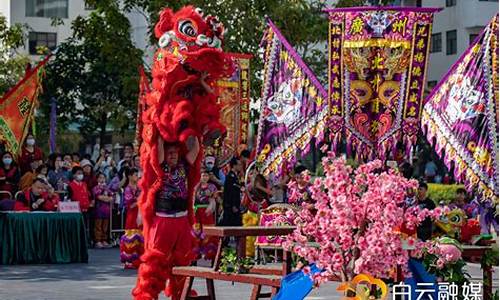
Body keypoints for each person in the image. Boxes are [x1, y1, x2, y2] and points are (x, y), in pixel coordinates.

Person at [133, 136, 200, 300]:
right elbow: (159, 150)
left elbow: (196, 150)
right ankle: (147, 294)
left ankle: (181, 293)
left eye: (175, 153)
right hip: (164, 220)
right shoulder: (160, 167)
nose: (173, 156)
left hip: (182, 221)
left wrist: (194, 131)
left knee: (183, 258)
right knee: (155, 260)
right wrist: (161, 132)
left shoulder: (183, 164)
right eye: (170, 153)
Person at [120, 168, 144, 269]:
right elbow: (130, 205)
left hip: (140, 214)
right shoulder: (127, 189)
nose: (136, 176)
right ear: (129, 176)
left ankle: (138, 259)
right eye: (134, 175)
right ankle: (129, 260)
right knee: (131, 238)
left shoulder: (139, 187)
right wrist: (140, 200)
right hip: (132, 215)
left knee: (140, 237)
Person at [193, 170, 218, 260]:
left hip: (207, 210)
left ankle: (209, 252)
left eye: (206, 176)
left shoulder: (212, 187)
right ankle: (195, 253)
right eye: (203, 175)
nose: (205, 178)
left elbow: (216, 198)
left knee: (208, 231)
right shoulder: (196, 186)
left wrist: (212, 197)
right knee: (196, 231)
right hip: (196, 211)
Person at [68, 166, 93, 238]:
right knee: (76, 228)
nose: (80, 175)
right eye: (78, 173)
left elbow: (88, 194)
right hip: (76, 210)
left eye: (81, 173)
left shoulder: (84, 184)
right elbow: (69, 198)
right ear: (74, 175)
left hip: (85, 209)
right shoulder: (70, 185)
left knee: (84, 226)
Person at [92, 172, 114, 249]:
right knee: (98, 226)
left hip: (107, 210)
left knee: (105, 226)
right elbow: (99, 197)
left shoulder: (107, 188)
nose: (102, 179)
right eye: (100, 178)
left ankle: (104, 240)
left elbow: (112, 197)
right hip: (99, 210)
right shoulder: (96, 188)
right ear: (97, 179)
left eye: (103, 178)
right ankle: (98, 241)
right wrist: (107, 199)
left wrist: (107, 198)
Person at [222, 157, 244, 226]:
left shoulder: (235, 177)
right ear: (234, 166)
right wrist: (233, 205)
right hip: (231, 206)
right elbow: (231, 192)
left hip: (235, 205)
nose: (241, 166)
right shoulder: (230, 177)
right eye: (239, 164)